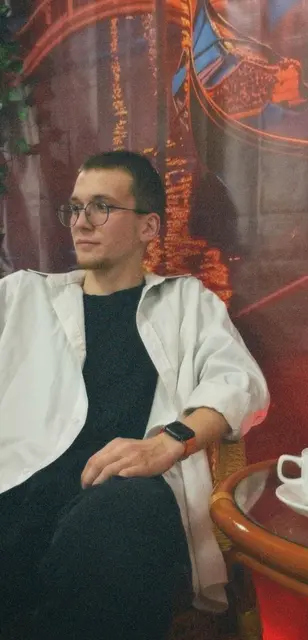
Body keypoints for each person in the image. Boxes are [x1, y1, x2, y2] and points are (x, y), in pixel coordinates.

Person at [0, 150, 269, 640]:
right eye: (75, 208)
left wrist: (168, 443)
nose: (81, 222)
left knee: (118, 528)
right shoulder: (23, 297)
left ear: (149, 227)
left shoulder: (186, 302)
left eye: (101, 207)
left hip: (123, 495)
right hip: (19, 486)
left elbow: (239, 382)